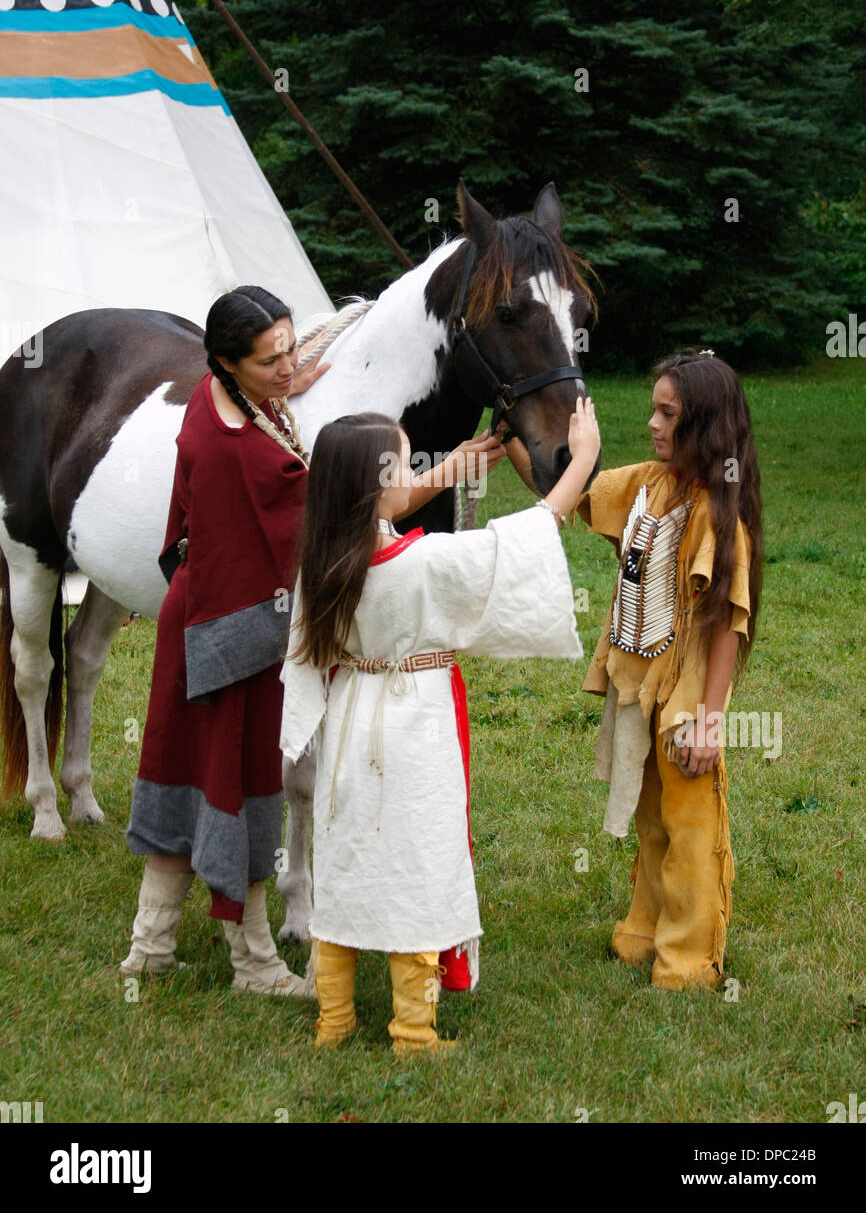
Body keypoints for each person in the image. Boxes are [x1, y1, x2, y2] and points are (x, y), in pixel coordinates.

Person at [120, 285, 504, 996]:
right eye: (272, 359)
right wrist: (456, 465)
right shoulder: (253, 457)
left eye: (293, 346)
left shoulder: (219, 400)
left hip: (192, 617)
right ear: (226, 361)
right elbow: (359, 514)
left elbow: (252, 416)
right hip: (232, 639)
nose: (291, 365)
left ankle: (150, 945)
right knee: (243, 791)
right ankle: (254, 962)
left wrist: (280, 389)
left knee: (183, 775)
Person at [279, 398, 602, 1052]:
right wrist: (585, 459)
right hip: (413, 730)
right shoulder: (422, 565)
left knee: (343, 865)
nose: (413, 473)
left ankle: (333, 1021)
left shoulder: (320, 567)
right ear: (379, 485)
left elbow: (303, 661)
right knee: (417, 868)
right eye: (405, 463)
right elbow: (529, 536)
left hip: (347, 728)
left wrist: (452, 468)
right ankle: (414, 1029)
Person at [571, 350, 763, 990]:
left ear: (703, 424)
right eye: (654, 407)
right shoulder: (653, 483)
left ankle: (687, 959)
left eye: (668, 413)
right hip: (638, 677)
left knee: (688, 822)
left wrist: (709, 721)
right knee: (650, 812)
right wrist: (540, 440)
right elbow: (581, 493)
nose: (652, 423)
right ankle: (644, 931)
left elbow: (727, 625)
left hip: (685, 693)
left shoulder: (717, 513)